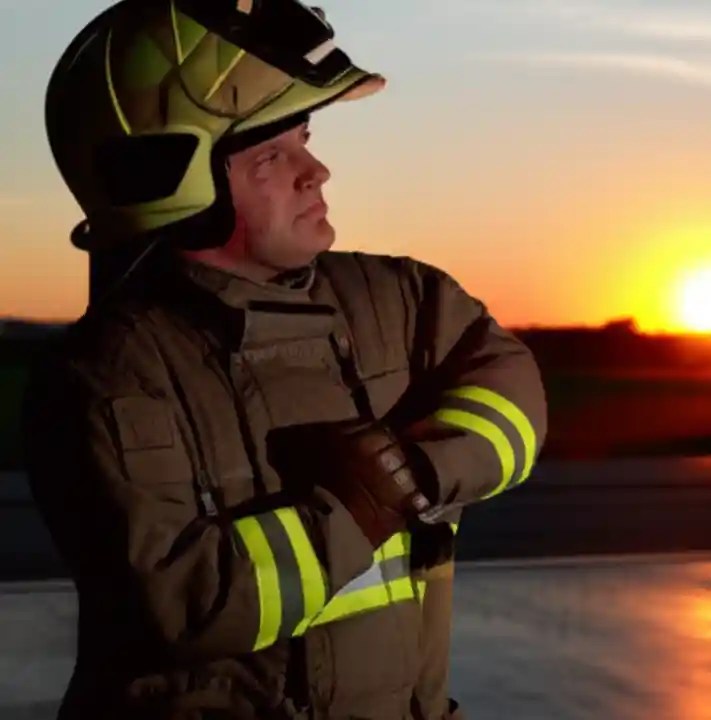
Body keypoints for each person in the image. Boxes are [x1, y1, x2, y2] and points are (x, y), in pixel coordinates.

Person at [21, 1, 547, 718]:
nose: (317, 170)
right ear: (169, 176)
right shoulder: (110, 373)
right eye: (273, 154)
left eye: (305, 136)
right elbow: (184, 606)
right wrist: (357, 510)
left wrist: (420, 469)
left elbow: (515, 398)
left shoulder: (403, 300)